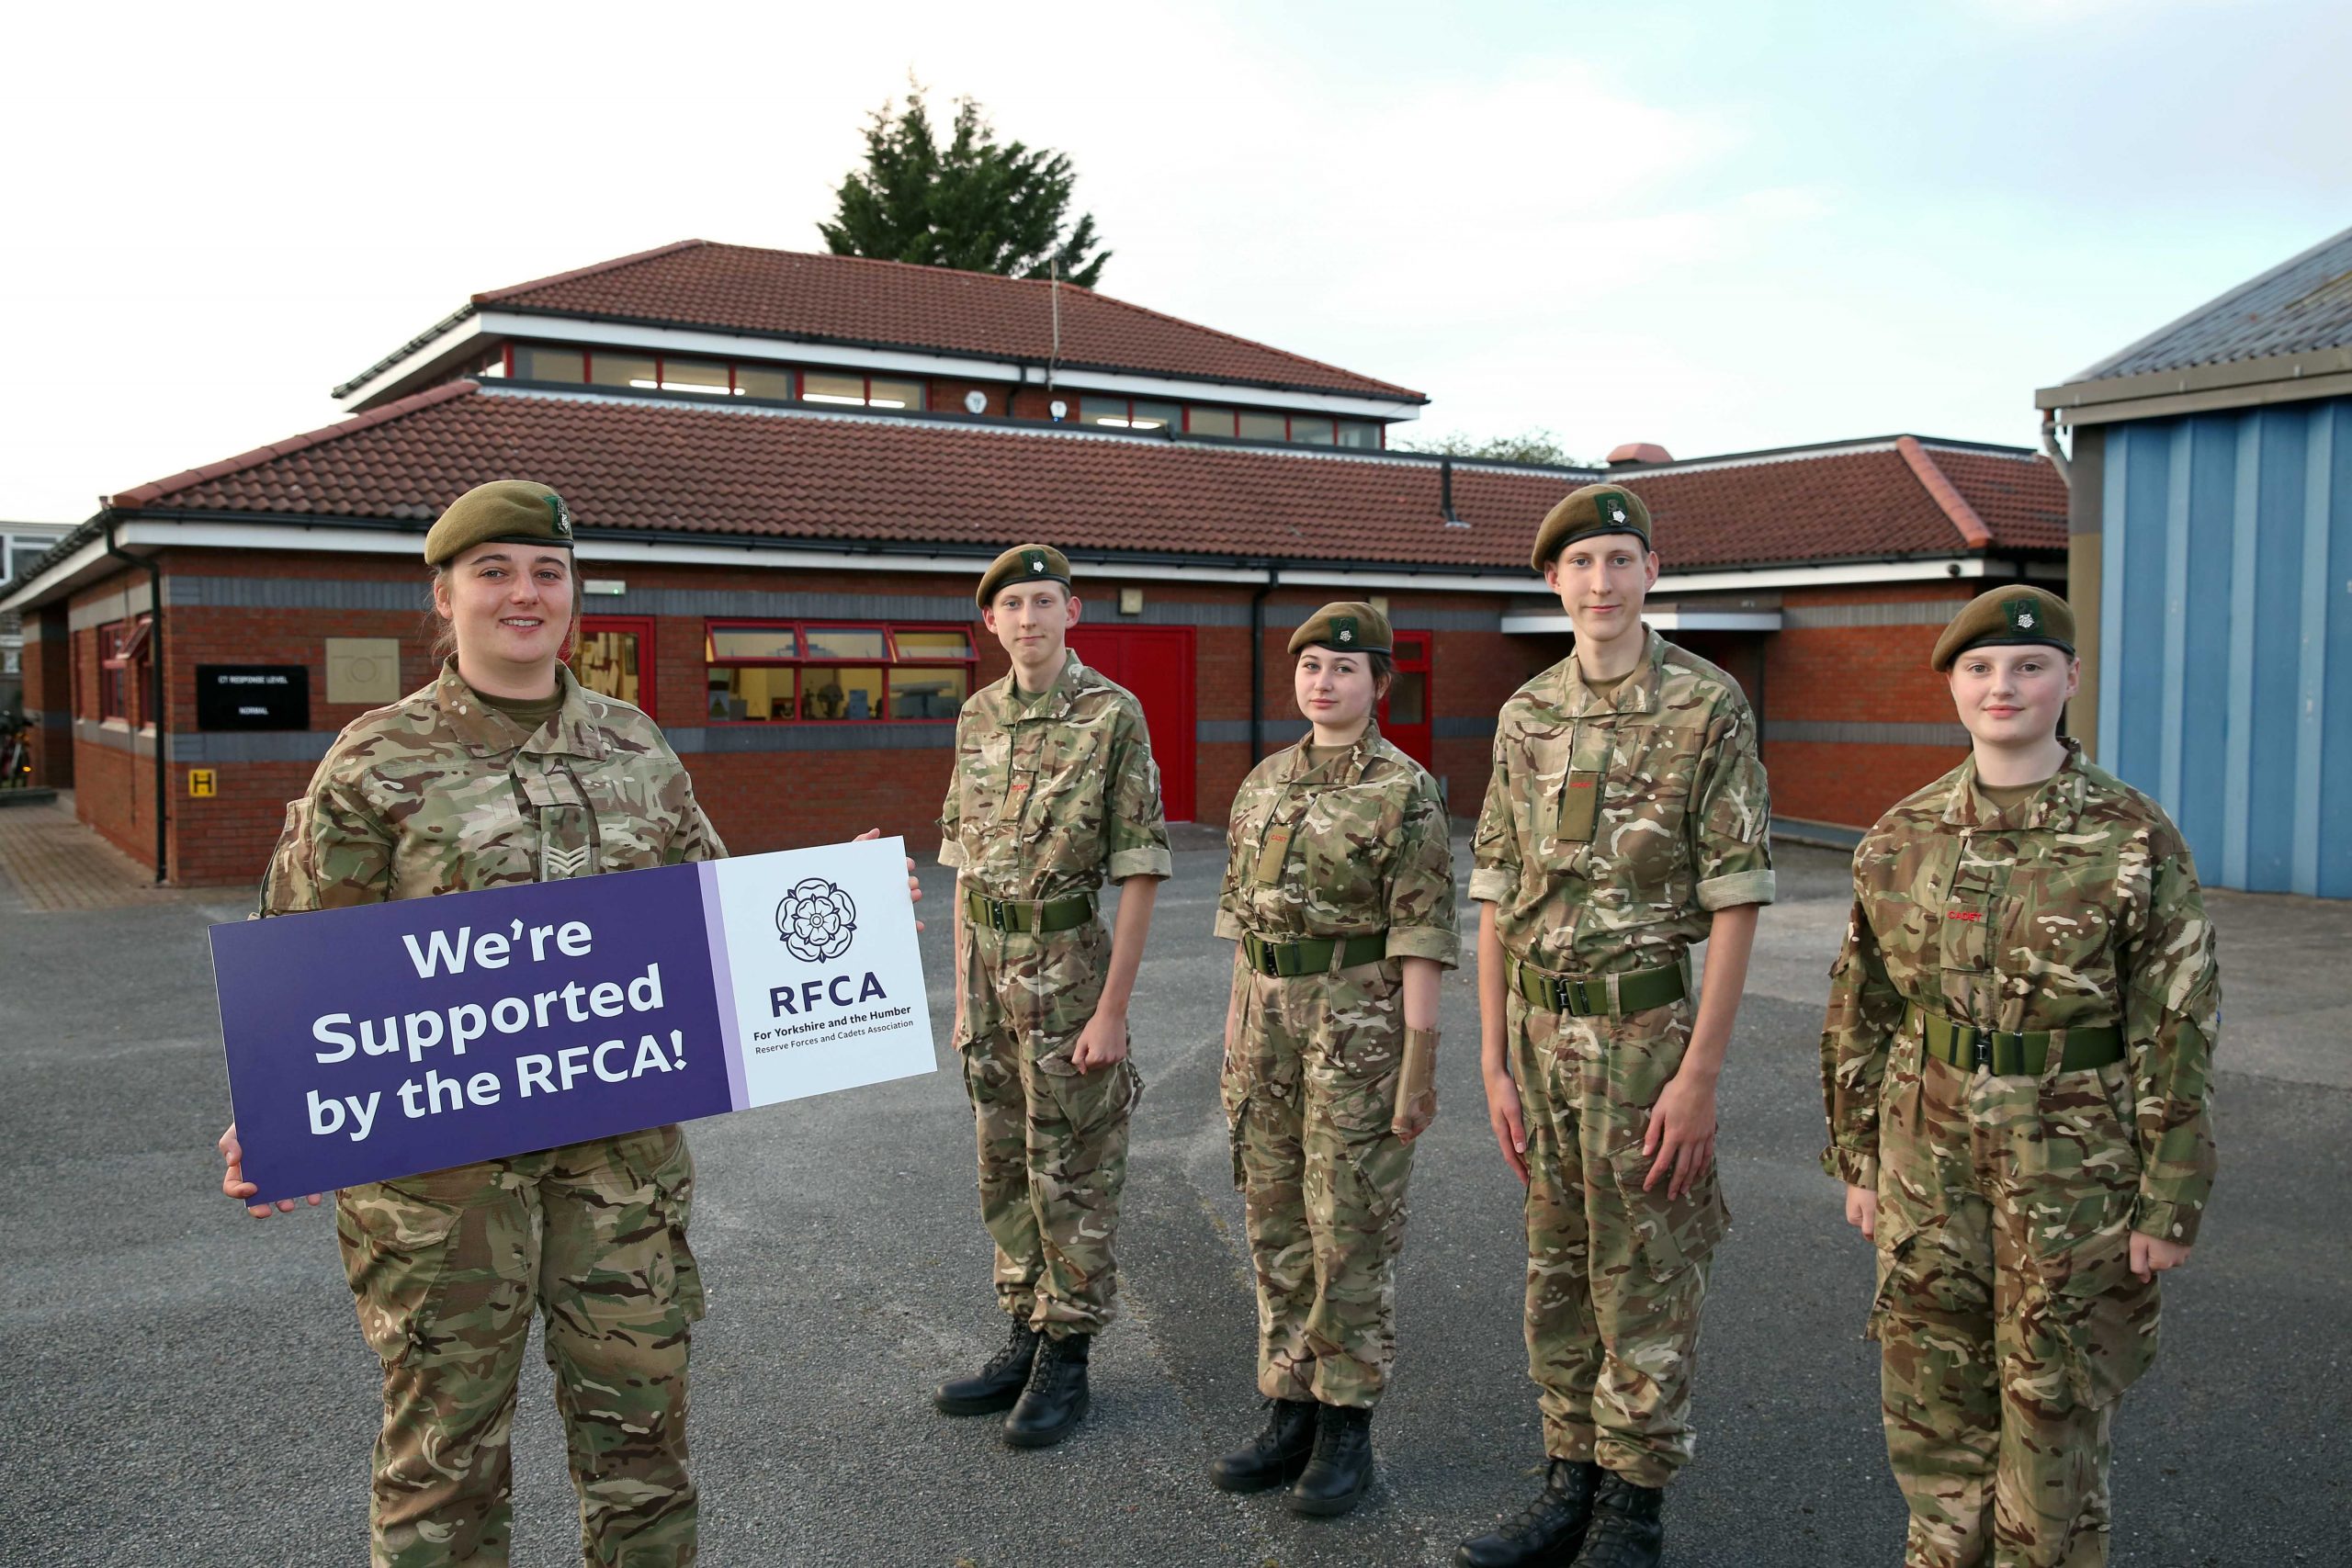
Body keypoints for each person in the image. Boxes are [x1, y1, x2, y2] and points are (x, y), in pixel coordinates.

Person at [217, 479, 919, 1567]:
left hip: (620, 1173)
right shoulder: (376, 762)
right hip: (442, 1187)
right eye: (493, 572)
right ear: (442, 597)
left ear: (574, 597)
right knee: (443, 1467)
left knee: (641, 1456)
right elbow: (299, 963)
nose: (524, 593)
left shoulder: (635, 746)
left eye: (547, 572)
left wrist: (851, 907)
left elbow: (710, 922)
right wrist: (274, 1115)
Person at [1819, 585, 2218, 1568]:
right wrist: (1859, 1161)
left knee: (2053, 1409)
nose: (2004, 686)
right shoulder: (1899, 835)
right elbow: (1861, 1011)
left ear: (2070, 680)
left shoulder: (2133, 836)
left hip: (2073, 1163)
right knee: (1930, 1404)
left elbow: (2177, 1023)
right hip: (1926, 1156)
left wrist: (2167, 1199)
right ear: (1952, 686)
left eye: (2030, 666)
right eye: (1981, 668)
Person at [1459, 484, 1774, 1568]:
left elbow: (1736, 897)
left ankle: (1633, 1502)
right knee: (1555, 1263)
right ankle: (1569, 1478)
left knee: (1644, 1264)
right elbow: (1495, 890)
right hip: (1539, 1040)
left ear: (1650, 573)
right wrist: (1491, 1061)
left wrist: (1700, 1073)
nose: (1600, 582)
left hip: (1645, 1035)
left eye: (1619, 560)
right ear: (1553, 582)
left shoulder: (1706, 705)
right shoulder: (1526, 714)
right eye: (1580, 563)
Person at [1208, 602, 1458, 1517]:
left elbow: (1424, 932)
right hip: (1264, 1025)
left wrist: (1420, 1062)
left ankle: (1346, 1421)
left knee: (1347, 1222)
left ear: (1378, 684)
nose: (1324, 681)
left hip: (1357, 1027)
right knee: (1273, 1214)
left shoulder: (1403, 788)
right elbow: (1241, 928)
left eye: (1345, 669)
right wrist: (1236, 1040)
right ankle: (1289, 1403)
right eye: (1311, 665)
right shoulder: (1264, 781)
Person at [932, 543, 1170, 1448]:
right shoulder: (977, 715)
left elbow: (1141, 866)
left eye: (1044, 601)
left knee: (1071, 1160)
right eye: (1010, 605)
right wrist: (961, 994)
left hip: (1067, 962)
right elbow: (959, 862)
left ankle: (1067, 1355)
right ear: (988, 623)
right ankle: (1023, 1331)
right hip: (988, 973)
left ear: (1072, 612)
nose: (1027, 619)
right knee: (1001, 1155)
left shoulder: (1112, 714)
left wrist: (1112, 1009)